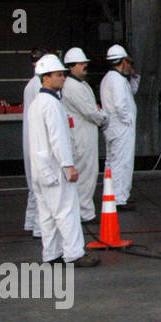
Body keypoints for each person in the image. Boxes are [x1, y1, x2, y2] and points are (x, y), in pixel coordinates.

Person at [28, 54, 100, 268]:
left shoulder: (36, 104)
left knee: (47, 214)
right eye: (59, 75)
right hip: (55, 168)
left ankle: (51, 254)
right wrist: (68, 165)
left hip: (40, 169)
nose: (62, 79)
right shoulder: (52, 104)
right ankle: (74, 253)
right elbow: (58, 138)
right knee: (67, 211)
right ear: (46, 78)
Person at [61, 48, 106, 224]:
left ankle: (83, 211)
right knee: (86, 173)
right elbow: (90, 111)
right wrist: (104, 117)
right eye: (81, 63)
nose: (85, 66)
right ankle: (84, 213)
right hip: (81, 136)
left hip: (86, 134)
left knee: (89, 172)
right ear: (71, 67)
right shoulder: (73, 87)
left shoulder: (81, 84)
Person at [100, 44, 139, 211]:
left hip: (114, 127)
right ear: (122, 61)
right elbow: (120, 104)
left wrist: (134, 77)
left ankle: (112, 195)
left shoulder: (113, 78)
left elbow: (131, 92)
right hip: (121, 127)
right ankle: (119, 199)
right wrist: (127, 119)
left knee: (113, 162)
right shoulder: (116, 80)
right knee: (122, 163)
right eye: (127, 62)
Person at [21, 46, 48, 240]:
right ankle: (39, 227)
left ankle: (31, 221)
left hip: (30, 138)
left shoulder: (30, 84)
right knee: (41, 186)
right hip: (39, 140)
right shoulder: (39, 86)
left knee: (33, 184)